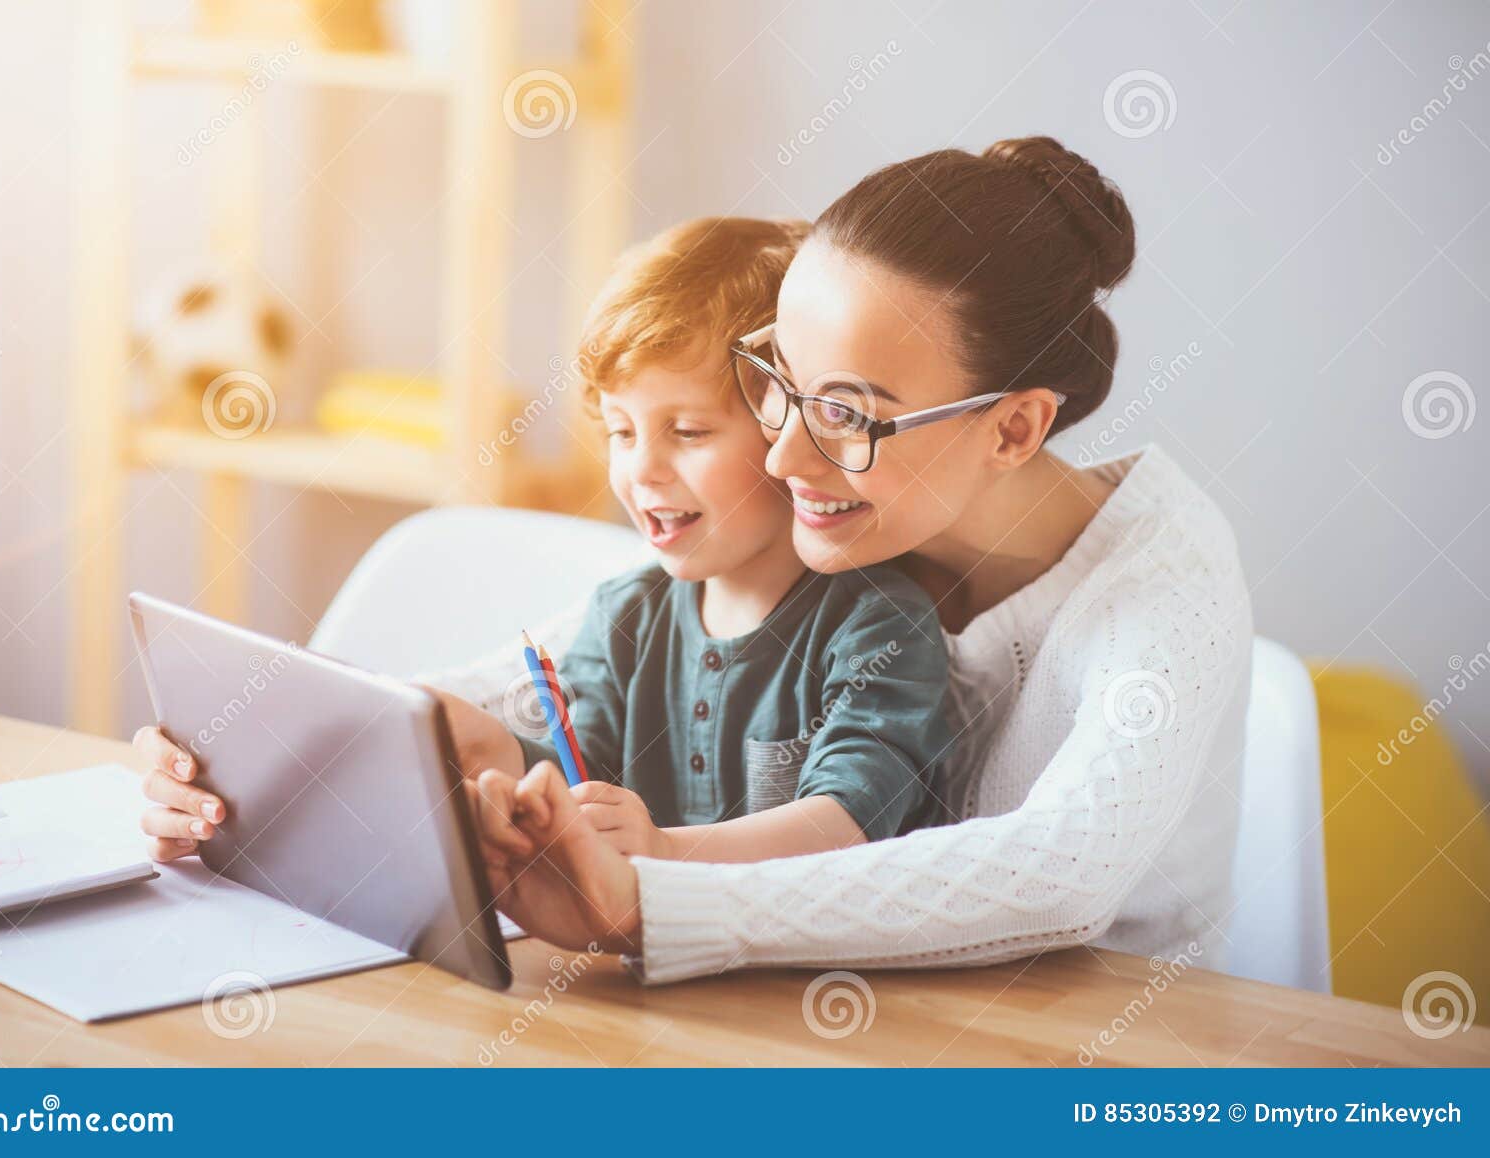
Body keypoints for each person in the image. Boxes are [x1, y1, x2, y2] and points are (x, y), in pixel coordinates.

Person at [466, 137, 1253, 983]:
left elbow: (1060, 875)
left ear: (1013, 430)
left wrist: (653, 893)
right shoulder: (848, 530)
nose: (781, 459)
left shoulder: (1167, 587)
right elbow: (528, 677)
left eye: (846, 414)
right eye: (777, 382)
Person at [135, 216, 955, 872]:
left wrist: (665, 853)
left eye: (690, 430)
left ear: (789, 423)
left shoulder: (879, 624)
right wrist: (478, 744)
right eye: (621, 430)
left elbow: (849, 826)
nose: (642, 470)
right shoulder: (628, 614)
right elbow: (583, 774)